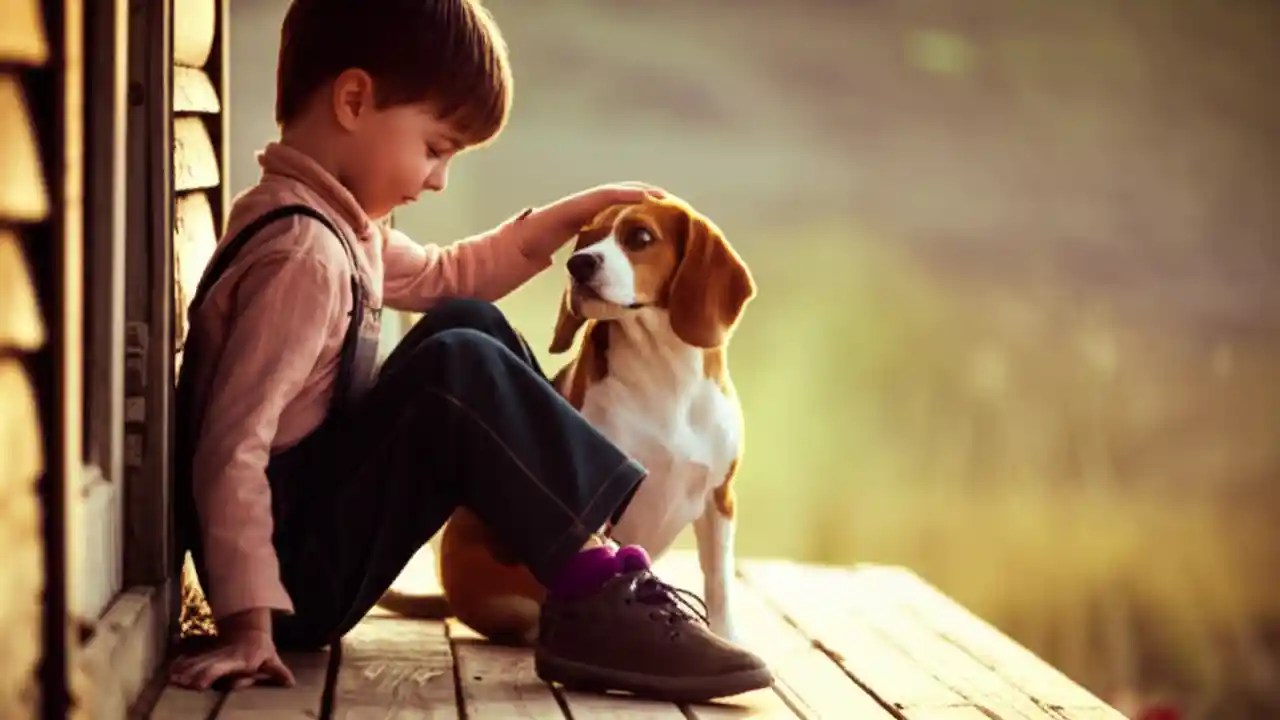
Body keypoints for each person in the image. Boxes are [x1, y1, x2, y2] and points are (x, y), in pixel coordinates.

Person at [167, 0, 773, 702]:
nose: (437, 179)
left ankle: (590, 566)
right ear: (355, 100)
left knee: (471, 321)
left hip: (303, 544)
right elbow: (230, 445)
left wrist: (573, 216)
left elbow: (448, 276)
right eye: (435, 148)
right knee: (457, 368)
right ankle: (594, 590)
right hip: (292, 583)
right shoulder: (303, 253)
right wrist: (248, 622)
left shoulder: (329, 224)